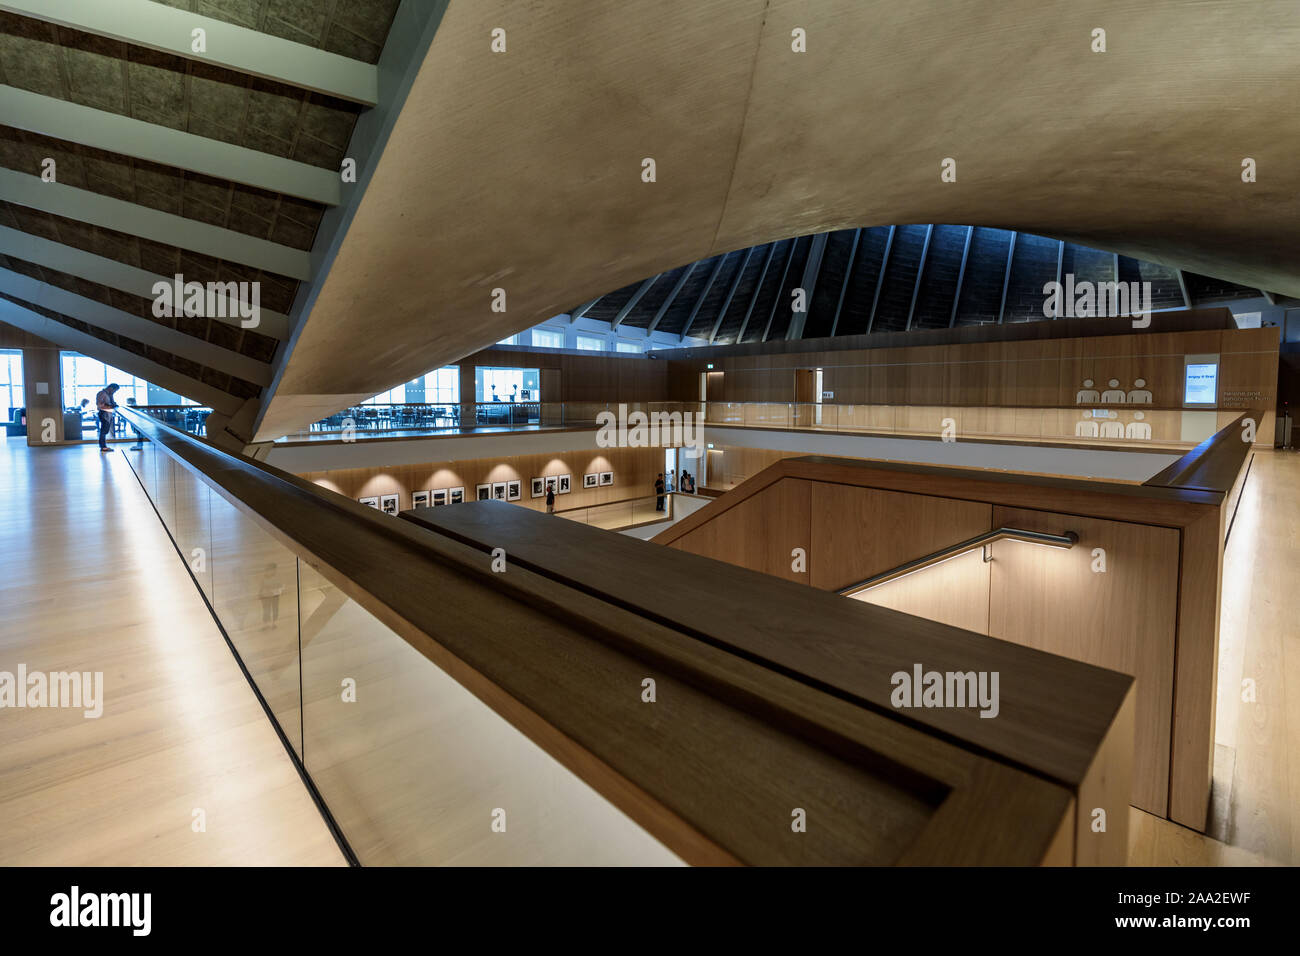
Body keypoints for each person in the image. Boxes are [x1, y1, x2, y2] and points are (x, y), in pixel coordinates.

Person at [95, 383, 120, 452]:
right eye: (114, 390)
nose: (114, 392)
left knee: (105, 430)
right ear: (111, 388)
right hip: (104, 414)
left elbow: (111, 403)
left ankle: (103, 446)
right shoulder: (102, 393)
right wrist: (110, 406)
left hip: (108, 413)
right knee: (104, 431)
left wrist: (113, 403)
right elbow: (99, 405)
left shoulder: (109, 394)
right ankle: (103, 446)